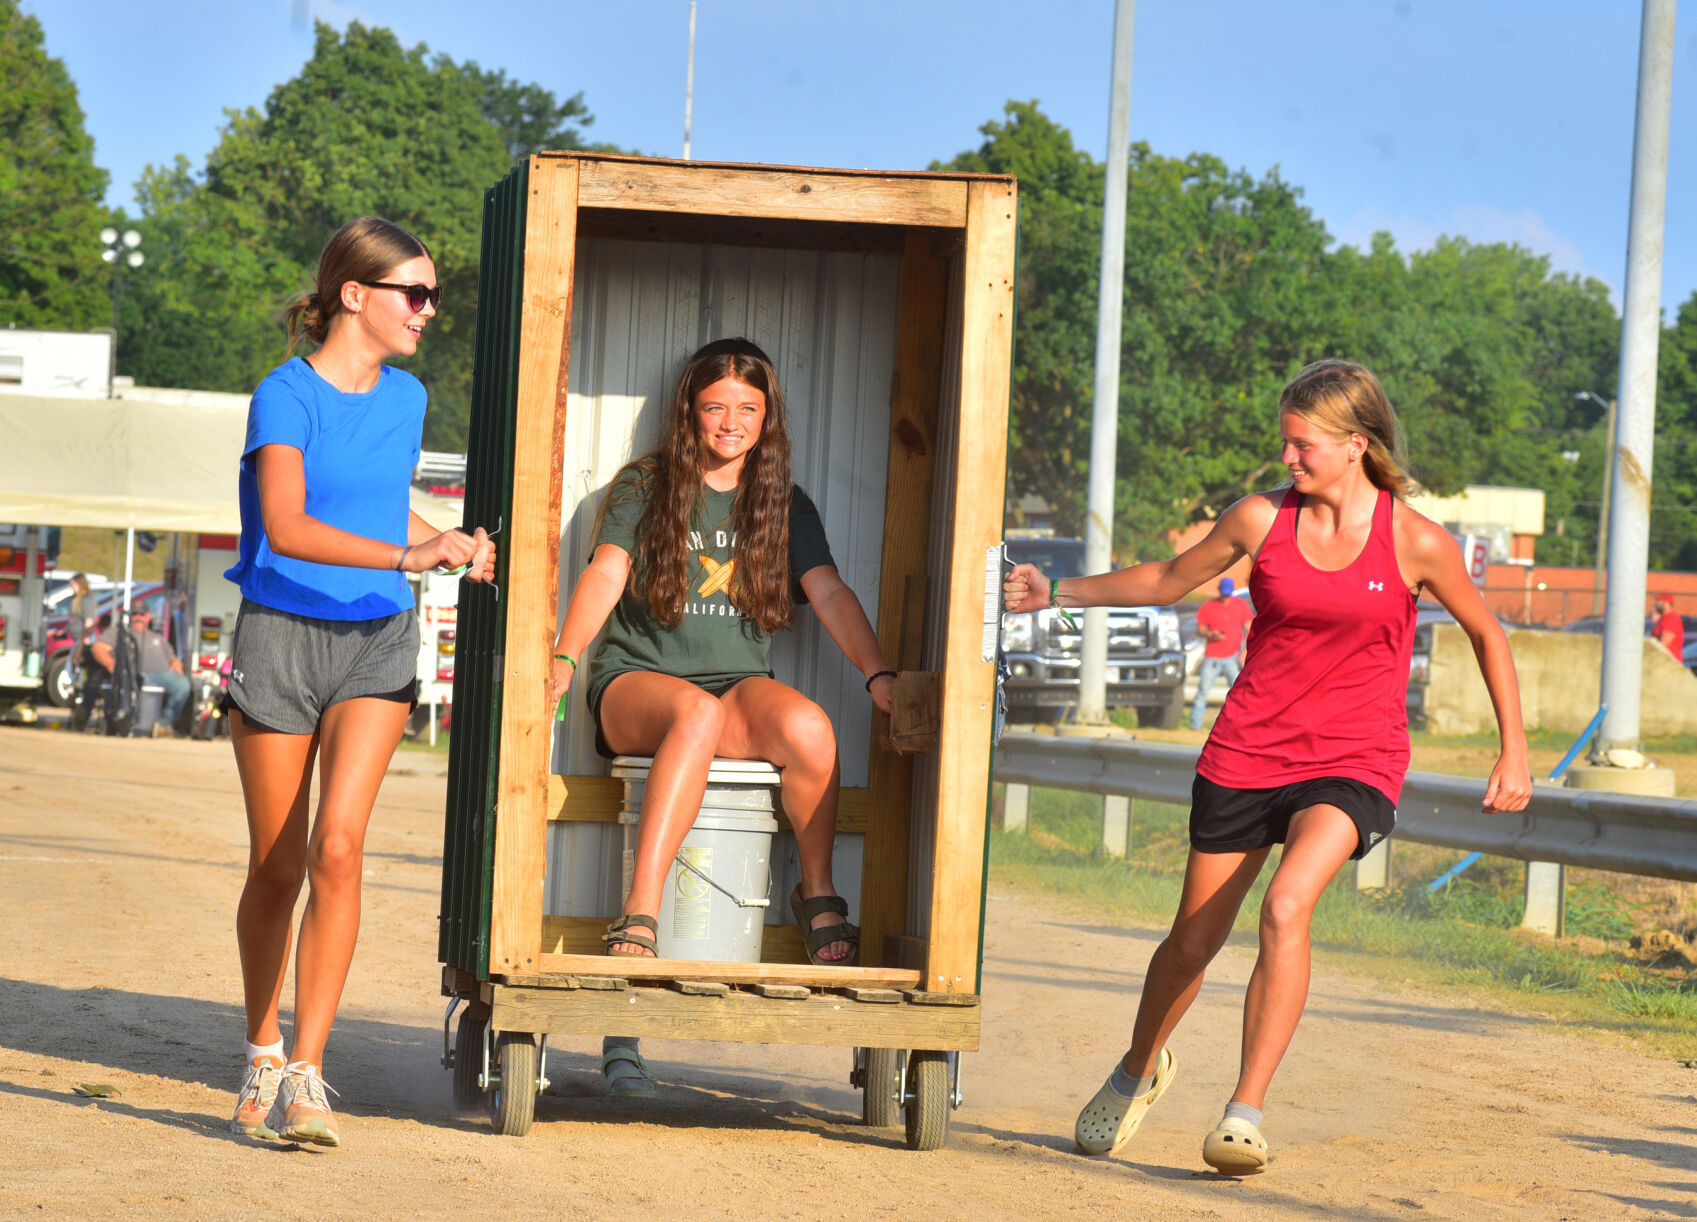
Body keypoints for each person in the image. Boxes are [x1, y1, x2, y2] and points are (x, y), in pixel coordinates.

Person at [1004, 359, 1531, 1176]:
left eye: (1301, 445)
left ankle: (1244, 1112)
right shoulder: (1258, 521)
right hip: (1247, 751)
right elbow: (1168, 580)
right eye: (1284, 443)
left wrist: (1514, 749)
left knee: (1287, 907)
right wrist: (1056, 591)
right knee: (1190, 946)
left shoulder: (1415, 540)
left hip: (1354, 760)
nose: (1286, 458)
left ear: (1354, 444)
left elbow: (1487, 634)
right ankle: (1137, 1067)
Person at [551, 337, 896, 1097]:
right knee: (695, 715)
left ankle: (815, 893)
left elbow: (830, 593)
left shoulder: (781, 499)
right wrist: (565, 657)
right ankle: (638, 910)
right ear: (690, 411)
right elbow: (606, 571)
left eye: (747, 408)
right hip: (635, 682)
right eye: (715, 407)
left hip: (731, 685)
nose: (730, 422)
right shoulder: (646, 484)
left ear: (767, 417)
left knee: (809, 728)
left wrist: (878, 674)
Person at [223, 216, 495, 1148]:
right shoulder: (282, 396)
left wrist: (447, 542)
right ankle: (260, 1048)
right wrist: (409, 550)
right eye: (412, 293)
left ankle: (307, 1073)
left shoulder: (410, 397)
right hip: (281, 634)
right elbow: (290, 525)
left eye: (431, 296)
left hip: (376, 639)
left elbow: (375, 506)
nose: (428, 310)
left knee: (340, 849)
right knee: (279, 864)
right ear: (355, 295)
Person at [89, 604, 190, 735]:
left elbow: (172, 658)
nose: (138, 617)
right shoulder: (120, 633)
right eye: (134, 614)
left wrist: (176, 663)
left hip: (162, 674)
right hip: (134, 673)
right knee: (138, 684)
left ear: (148, 616)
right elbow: (97, 647)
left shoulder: (157, 637)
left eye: (141, 614)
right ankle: (135, 724)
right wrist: (111, 664)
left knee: (183, 684)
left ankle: (165, 724)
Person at [1188, 577, 1252, 730]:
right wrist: (1211, 634)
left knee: (1238, 693)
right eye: (1223, 594)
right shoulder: (1209, 606)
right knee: (1203, 691)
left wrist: (1246, 649)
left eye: (1228, 594)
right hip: (1212, 657)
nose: (1225, 597)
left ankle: (1240, 725)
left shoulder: (1240, 605)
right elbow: (1200, 629)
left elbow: (1250, 628)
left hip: (1232, 657)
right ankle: (1195, 725)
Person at [1652, 594, 1684, 662]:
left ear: (1666, 603)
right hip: (1661, 660)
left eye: (1658, 601)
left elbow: (1664, 643)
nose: (1656, 603)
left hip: (1668, 662)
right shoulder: (1664, 618)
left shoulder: (1671, 618)